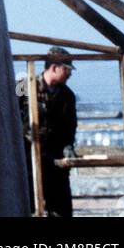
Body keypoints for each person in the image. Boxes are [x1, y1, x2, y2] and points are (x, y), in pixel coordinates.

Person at [16, 47, 78, 217]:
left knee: (61, 209)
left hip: (55, 160)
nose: (70, 74)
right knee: (26, 206)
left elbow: (70, 127)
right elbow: (7, 114)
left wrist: (68, 146)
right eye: (67, 69)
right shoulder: (23, 87)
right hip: (28, 159)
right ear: (54, 68)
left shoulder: (67, 96)